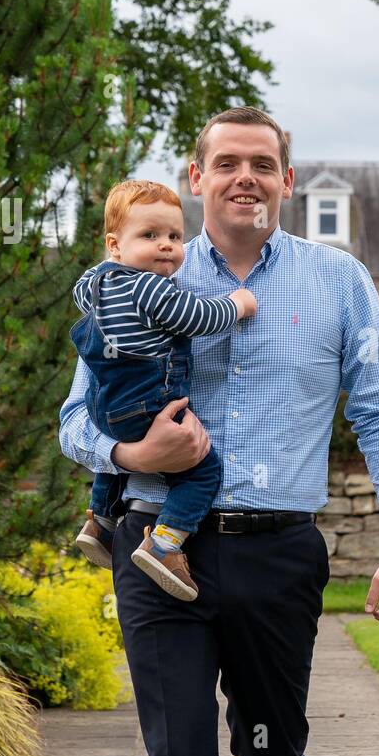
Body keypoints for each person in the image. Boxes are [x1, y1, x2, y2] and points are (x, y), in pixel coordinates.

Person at [58, 107, 379, 756]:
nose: (244, 178)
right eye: (226, 163)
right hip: (156, 547)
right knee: (177, 755)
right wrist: (130, 457)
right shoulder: (135, 270)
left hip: (277, 554)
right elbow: (75, 418)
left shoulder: (339, 281)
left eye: (262, 164)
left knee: (273, 755)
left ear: (286, 182)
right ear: (196, 179)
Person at [70, 179, 258, 601]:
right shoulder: (151, 287)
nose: (167, 246)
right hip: (148, 402)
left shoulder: (96, 283)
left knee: (116, 457)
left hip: (105, 407)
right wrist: (239, 304)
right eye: (150, 236)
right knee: (202, 470)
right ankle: (165, 543)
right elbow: (196, 318)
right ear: (115, 245)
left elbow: (84, 300)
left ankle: (99, 521)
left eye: (175, 236)